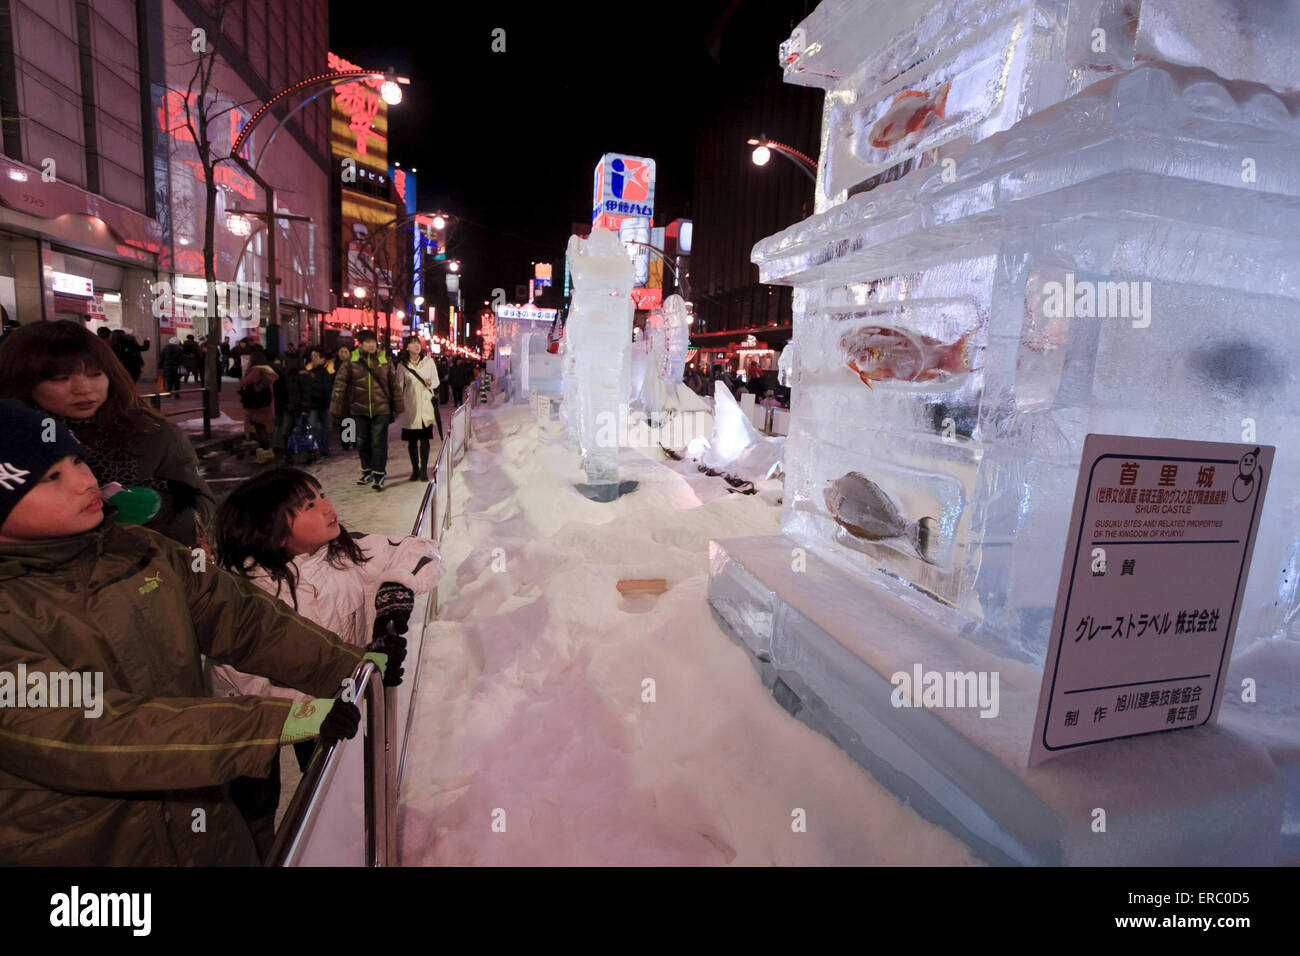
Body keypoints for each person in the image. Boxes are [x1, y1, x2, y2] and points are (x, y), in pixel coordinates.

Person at [0, 399, 410, 865]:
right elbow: (88, 732)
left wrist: (350, 668)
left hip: (201, 820)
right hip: (86, 845)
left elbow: (246, 621)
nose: (85, 481)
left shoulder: (140, 551)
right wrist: (277, 722)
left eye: (76, 461)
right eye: (50, 478)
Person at [206, 467, 440, 850]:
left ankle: (343, 839)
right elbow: (252, 684)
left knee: (329, 774)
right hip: (252, 717)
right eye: (308, 505)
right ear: (270, 529)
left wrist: (392, 597)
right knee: (253, 800)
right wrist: (320, 711)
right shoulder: (245, 594)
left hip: (331, 700)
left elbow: (419, 548)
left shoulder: (341, 554)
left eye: (322, 494)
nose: (328, 506)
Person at [0, 320, 213, 546]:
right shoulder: (10, 441)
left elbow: (202, 510)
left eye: (95, 374)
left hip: (142, 572)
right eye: (60, 378)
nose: (84, 389)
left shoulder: (152, 432)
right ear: (22, 380)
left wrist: (158, 508)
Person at [330, 329, 403, 491]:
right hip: (359, 409)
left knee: (378, 442)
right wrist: (335, 407)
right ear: (360, 344)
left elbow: (394, 385)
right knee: (362, 442)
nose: (371, 345)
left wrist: (399, 406)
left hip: (381, 408)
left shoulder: (384, 360)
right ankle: (367, 470)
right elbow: (339, 385)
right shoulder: (351, 361)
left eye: (373, 341)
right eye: (367, 342)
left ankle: (379, 474)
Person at [396, 335, 441, 481]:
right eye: (412, 343)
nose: (416, 346)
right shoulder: (402, 365)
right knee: (412, 441)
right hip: (410, 404)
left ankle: (423, 470)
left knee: (425, 439)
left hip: (426, 403)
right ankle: (415, 469)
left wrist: (431, 383)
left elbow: (437, 381)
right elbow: (399, 386)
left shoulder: (429, 361)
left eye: (418, 343)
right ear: (407, 347)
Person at [290, 347, 334, 459]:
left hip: (326, 404)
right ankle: (313, 449)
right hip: (313, 405)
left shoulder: (329, 371)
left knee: (326, 427)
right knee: (312, 427)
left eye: (315, 357)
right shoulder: (307, 372)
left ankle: (324, 449)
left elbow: (330, 388)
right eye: (312, 357)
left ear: (322, 359)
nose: (313, 359)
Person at [239, 348, 278, 462]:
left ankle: (265, 452)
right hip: (267, 402)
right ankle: (266, 451)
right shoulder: (268, 370)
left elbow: (243, 382)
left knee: (259, 428)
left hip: (257, 404)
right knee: (262, 428)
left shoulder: (255, 371)